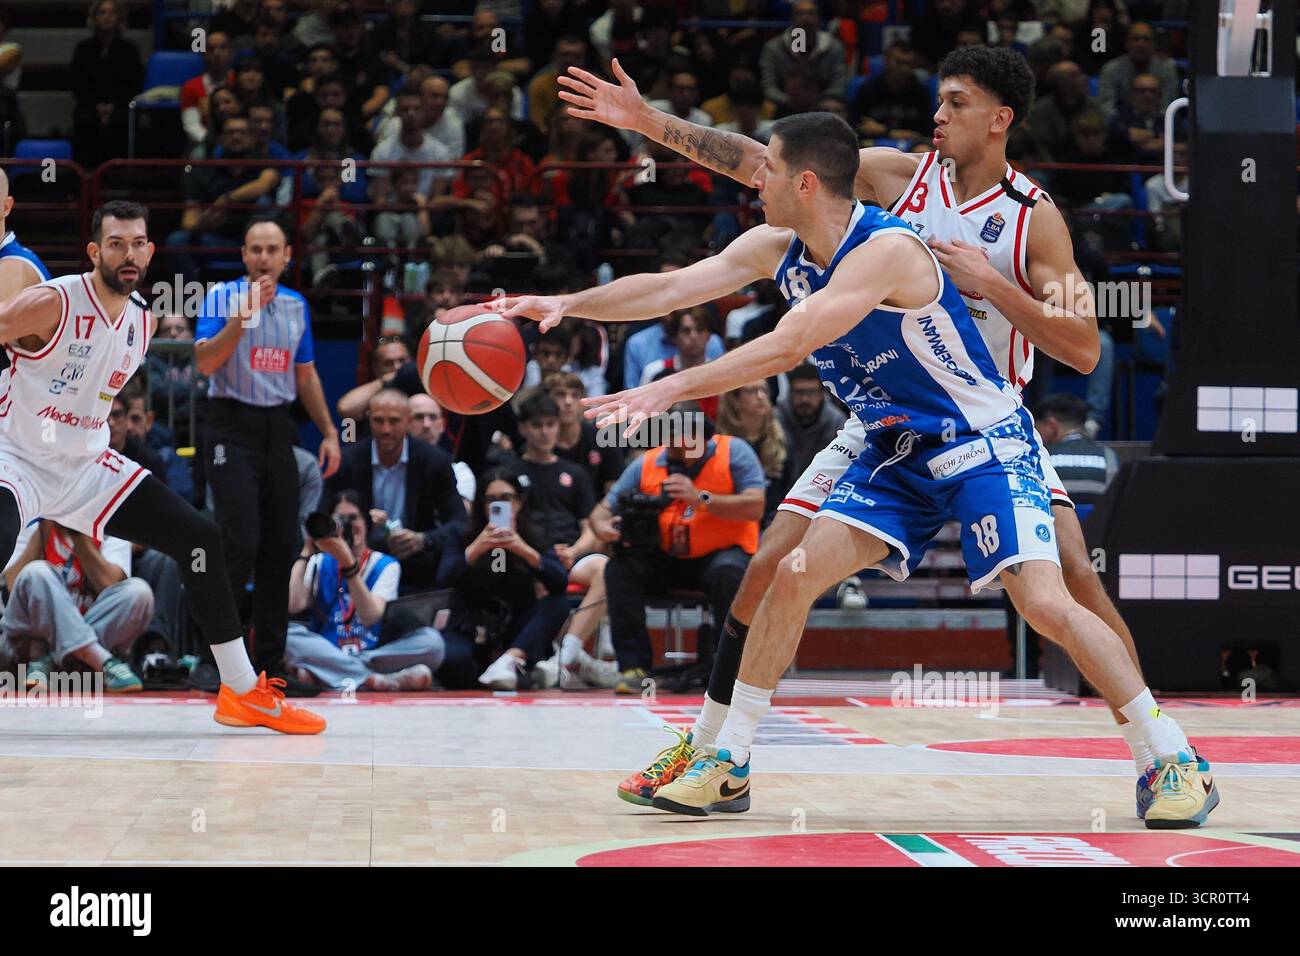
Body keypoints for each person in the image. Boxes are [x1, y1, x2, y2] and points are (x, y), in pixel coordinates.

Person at [503, 105, 1217, 827]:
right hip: (892, 444)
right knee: (790, 572)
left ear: (807, 183)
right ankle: (727, 761)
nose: (756, 180)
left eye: (770, 172)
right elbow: (668, 287)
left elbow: (793, 342)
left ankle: (1170, 756)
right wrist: (567, 303)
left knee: (1046, 599)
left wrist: (673, 385)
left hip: (981, 438)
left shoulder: (890, 251)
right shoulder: (776, 243)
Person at [0, 200, 324, 732]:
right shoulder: (53, 302)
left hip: (84, 466)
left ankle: (243, 693)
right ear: (94, 251)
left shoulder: (141, 323)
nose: (128, 254)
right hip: (18, 457)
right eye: (115, 243)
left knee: (200, 538)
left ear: (149, 251)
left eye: (137, 244)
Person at [193, 215, 342, 695]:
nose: (262, 258)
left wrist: (328, 432)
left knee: (281, 546)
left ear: (286, 257)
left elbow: (306, 375)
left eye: (271, 250)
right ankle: (212, 662)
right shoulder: (220, 297)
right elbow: (205, 361)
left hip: (277, 426)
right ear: (243, 255)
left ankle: (271, 669)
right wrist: (242, 319)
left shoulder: (297, 306)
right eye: (254, 249)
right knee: (240, 541)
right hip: (227, 423)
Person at [572, 402, 764, 693]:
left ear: (703, 437)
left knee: (727, 573)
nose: (674, 446)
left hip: (723, 554)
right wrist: (604, 527)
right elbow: (600, 513)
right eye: (669, 438)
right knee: (620, 569)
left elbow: (755, 506)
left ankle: (730, 670)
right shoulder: (649, 462)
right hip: (668, 557)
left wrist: (701, 498)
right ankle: (634, 668)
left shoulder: (734, 452)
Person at [286, 489, 442, 691]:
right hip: (326, 647)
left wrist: (347, 563)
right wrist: (307, 551)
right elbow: (293, 605)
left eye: (353, 518)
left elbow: (371, 616)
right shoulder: (319, 561)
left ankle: (329, 674)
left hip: (372, 650)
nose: (348, 526)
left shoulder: (386, 564)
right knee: (287, 635)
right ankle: (376, 679)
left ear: (366, 522)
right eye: (339, 520)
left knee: (433, 642)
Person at [436, 467, 571, 690]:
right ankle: (516, 673)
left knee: (557, 603)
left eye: (506, 499)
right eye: (490, 500)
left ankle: (510, 660)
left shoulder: (534, 535)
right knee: (454, 665)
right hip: (471, 625)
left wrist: (524, 551)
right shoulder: (462, 535)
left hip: (517, 627)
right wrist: (475, 549)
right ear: (481, 505)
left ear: (519, 502)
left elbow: (559, 582)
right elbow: (443, 578)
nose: (498, 506)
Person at [323, 388, 465, 591]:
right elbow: (323, 517)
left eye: (394, 421)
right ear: (369, 420)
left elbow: (460, 523)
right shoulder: (347, 461)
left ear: (407, 422)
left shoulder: (435, 462)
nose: (386, 429)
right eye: (379, 421)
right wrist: (358, 520)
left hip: (417, 568)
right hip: (358, 564)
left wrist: (424, 540)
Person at [2, 518, 153, 691]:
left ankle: (53, 660)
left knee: (138, 592)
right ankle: (101, 660)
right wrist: (42, 533)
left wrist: (79, 535)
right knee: (36, 571)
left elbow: (109, 585)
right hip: (28, 646)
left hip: (56, 652)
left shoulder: (111, 534)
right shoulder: (27, 530)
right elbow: (13, 585)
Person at [69, 0, 142, 168]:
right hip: (90, 106)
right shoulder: (83, 48)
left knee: (121, 123)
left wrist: (113, 106)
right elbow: (77, 83)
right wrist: (96, 106)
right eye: (102, 12)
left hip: (120, 105)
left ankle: (118, 178)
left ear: (119, 18)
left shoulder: (130, 49)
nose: (107, 17)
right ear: (94, 18)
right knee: (84, 122)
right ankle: (85, 179)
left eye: (112, 13)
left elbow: (134, 83)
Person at [715, 383, 795, 527]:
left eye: (764, 390)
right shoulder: (721, 444)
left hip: (775, 522)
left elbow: (791, 487)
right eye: (752, 391)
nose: (761, 396)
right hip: (734, 525)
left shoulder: (782, 439)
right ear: (734, 401)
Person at [1035, 392, 1119, 505]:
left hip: (1056, 521)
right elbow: (1113, 501)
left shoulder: (1043, 457)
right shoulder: (1107, 455)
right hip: (1099, 521)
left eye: (1037, 429)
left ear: (1052, 425)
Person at [776, 362, 847, 481]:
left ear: (823, 393)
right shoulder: (776, 419)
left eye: (811, 392)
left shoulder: (837, 422)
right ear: (790, 392)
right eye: (798, 392)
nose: (804, 399)